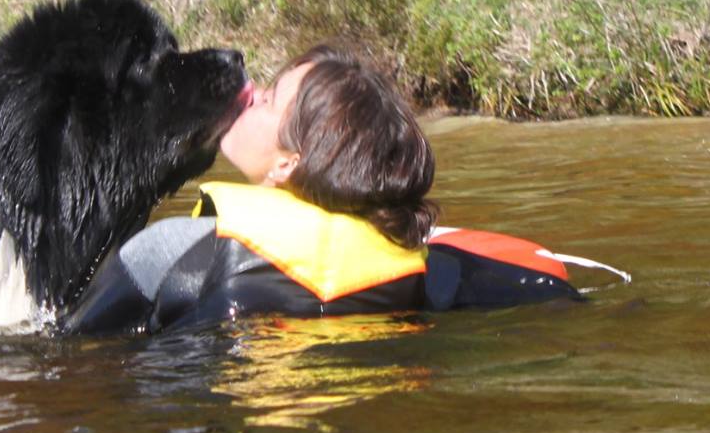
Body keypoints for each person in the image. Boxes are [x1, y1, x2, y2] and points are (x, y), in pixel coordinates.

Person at [64, 45, 626, 335]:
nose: (250, 93)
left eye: (270, 98)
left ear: (290, 162)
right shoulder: (431, 272)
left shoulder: (171, 253)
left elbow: (73, 356)